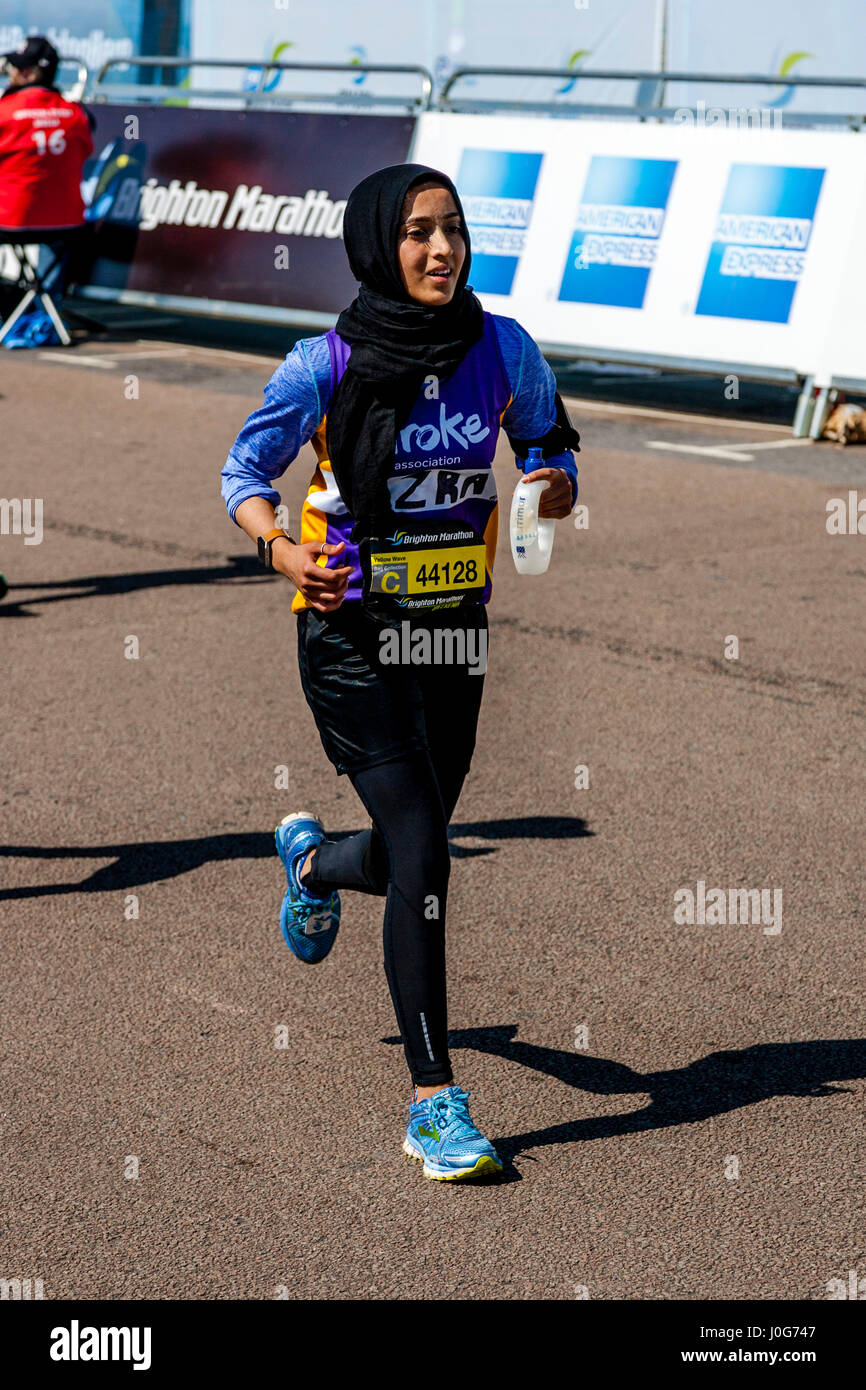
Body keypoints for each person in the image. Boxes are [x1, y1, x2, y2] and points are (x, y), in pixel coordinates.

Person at [221, 163, 579, 1182]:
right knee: (425, 850)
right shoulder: (323, 363)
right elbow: (244, 473)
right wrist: (282, 550)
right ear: (381, 243)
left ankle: (310, 865)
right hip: (348, 635)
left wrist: (552, 483)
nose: (441, 249)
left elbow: (547, 441)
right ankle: (434, 1103)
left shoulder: (501, 347)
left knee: (407, 850)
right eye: (420, 232)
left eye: (453, 229)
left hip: (451, 631)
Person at [0, 36, 93, 229]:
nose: (10, 73)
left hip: (10, 222)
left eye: (16, 68)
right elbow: (86, 151)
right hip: (68, 224)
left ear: (30, 73)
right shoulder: (76, 114)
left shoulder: (5, 110)